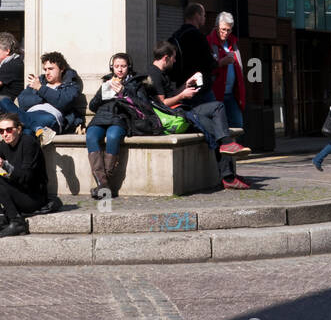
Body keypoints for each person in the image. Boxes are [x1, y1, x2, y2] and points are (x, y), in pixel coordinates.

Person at [145, 41, 250, 189]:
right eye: (173, 58)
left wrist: (185, 85)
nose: (175, 61)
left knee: (218, 107)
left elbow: (171, 95)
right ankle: (228, 176)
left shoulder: (161, 73)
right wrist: (183, 95)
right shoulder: (153, 75)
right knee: (217, 130)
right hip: (176, 116)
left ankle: (228, 157)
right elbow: (162, 104)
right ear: (165, 57)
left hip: (182, 111)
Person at [0, 111, 49, 236]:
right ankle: (1, 219)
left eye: (9, 130)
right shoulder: (5, 144)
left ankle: (17, 222)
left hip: (33, 196)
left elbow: (27, 177)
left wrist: (5, 165)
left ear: (18, 129)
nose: (5, 134)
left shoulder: (28, 143)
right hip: (18, 190)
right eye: (1, 131)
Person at [0, 51, 84, 144]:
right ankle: (38, 129)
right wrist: (47, 96)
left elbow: (63, 102)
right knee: (4, 101)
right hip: (28, 115)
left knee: (26, 132)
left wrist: (40, 89)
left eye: (51, 69)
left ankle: (34, 128)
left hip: (50, 116)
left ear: (62, 68)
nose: (47, 73)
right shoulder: (39, 81)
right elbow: (22, 101)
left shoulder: (70, 85)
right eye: (45, 69)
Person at [86, 52, 135, 198]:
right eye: (116, 66)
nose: (119, 70)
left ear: (129, 67)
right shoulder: (106, 82)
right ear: (112, 67)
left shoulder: (134, 83)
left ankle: (103, 185)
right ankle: (104, 184)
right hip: (100, 118)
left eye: (123, 66)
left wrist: (124, 93)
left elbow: (141, 106)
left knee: (113, 136)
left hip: (119, 118)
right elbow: (92, 106)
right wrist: (102, 92)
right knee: (91, 136)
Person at [207, 11, 246, 130]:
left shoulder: (233, 42)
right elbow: (206, 68)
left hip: (233, 93)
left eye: (228, 30)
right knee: (218, 128)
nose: (225, 33)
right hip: (216, 93)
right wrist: (222, 62)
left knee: (238, 126)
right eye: (222, 29)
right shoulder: (208, 42)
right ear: (216, 27)